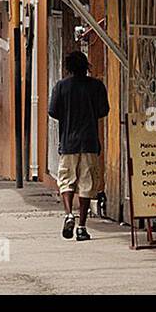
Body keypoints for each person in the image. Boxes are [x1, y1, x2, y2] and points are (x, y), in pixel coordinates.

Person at [47, 50, 109, 241]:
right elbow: (103, 110)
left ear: (69, 67)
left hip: (68, 143)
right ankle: (82, 227)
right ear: (86, 66)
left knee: (66, 181)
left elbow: (53, 111)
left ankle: (68, 214)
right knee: (86, 184)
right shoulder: (96, 86)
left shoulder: (61, 86)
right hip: (90, 142)